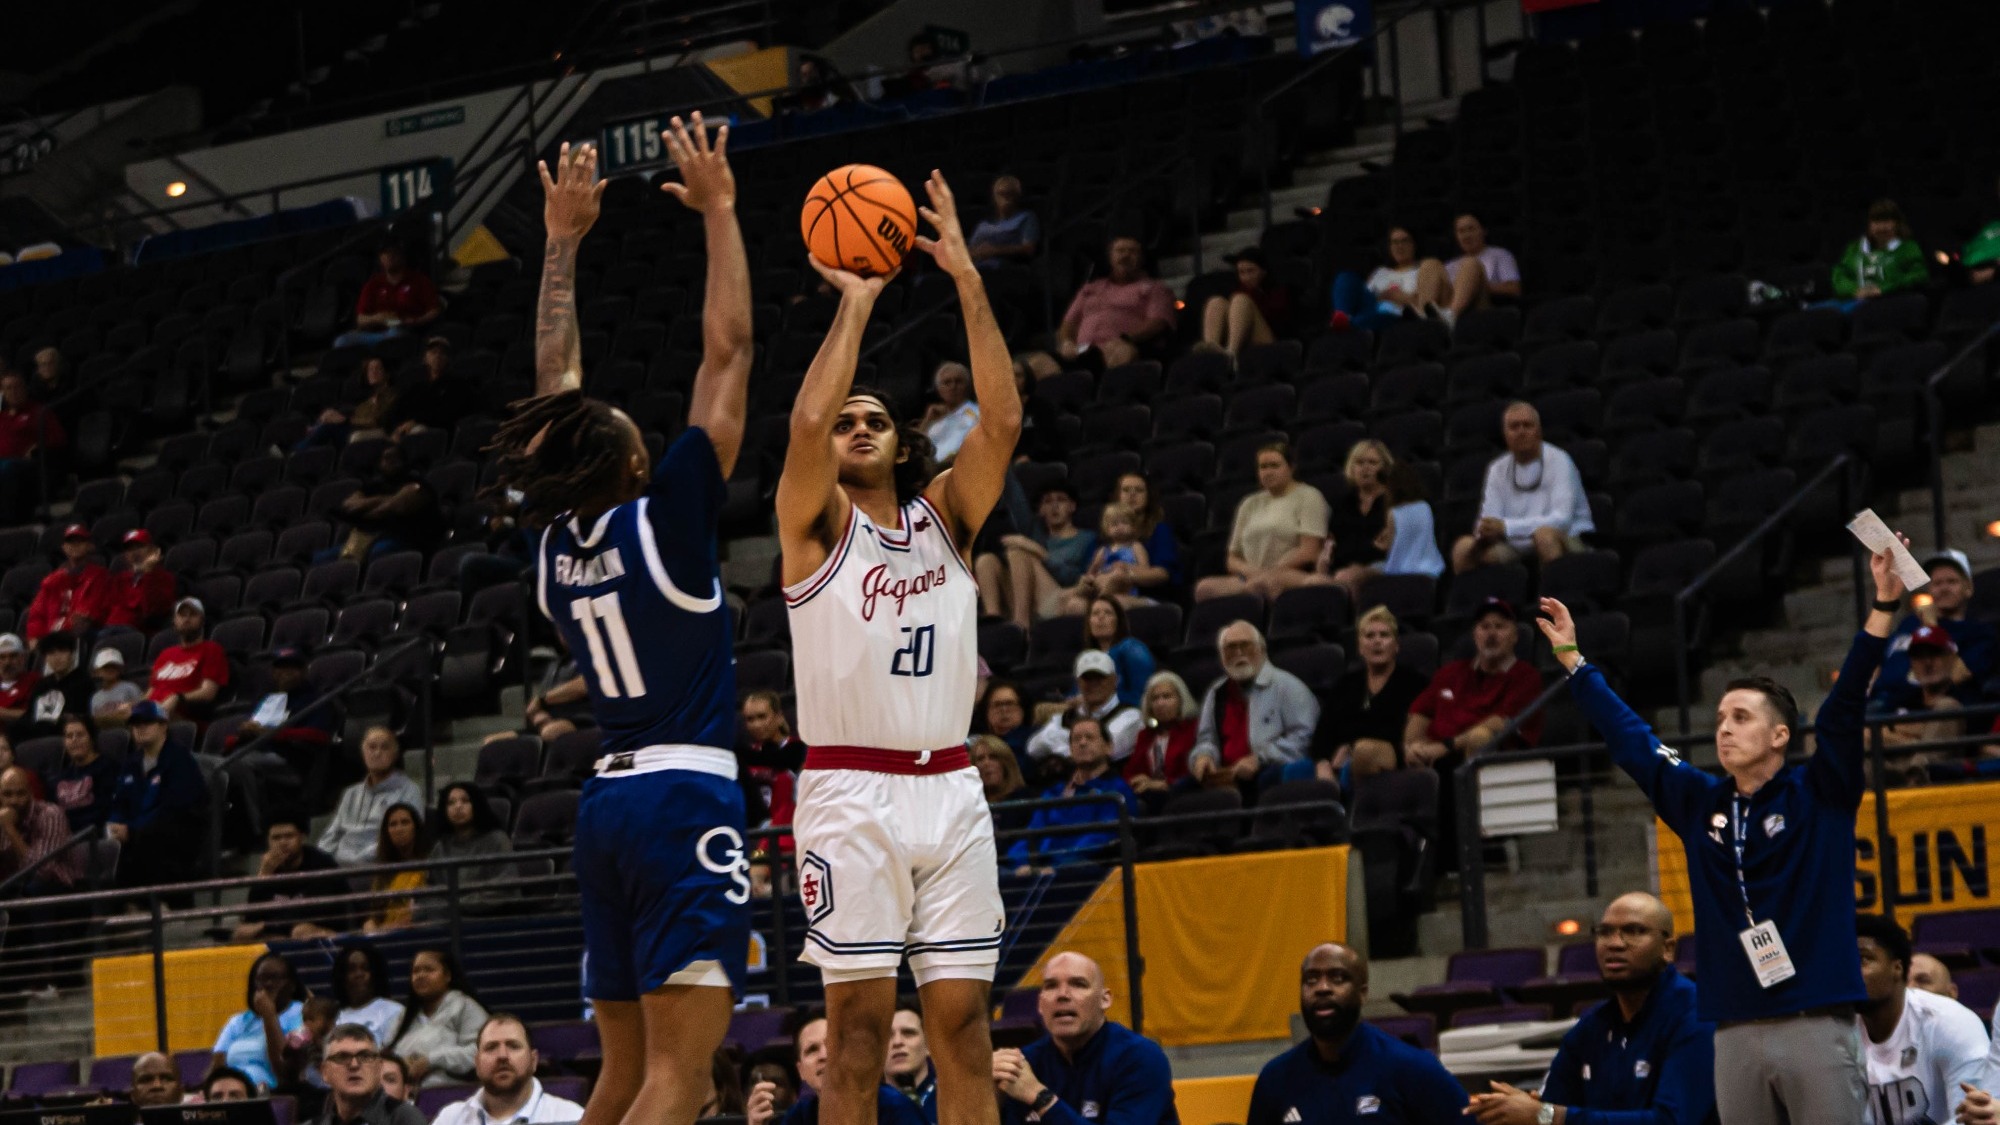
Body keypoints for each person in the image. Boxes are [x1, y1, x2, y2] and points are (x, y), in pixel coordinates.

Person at [491, 122, 754, 1125]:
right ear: (640, 464)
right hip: (683, 798)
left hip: (605, 806)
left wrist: (561, 243)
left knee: (621, 1075)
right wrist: (719, 212)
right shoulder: (669, 525)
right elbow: (727, 353)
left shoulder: (554, 548)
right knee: (683, 1078)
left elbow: (551, 395)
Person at [776, 168, 1021, 1125]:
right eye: (848, 421)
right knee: (858, 1038)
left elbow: (1003, 418)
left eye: (875, 418)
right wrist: (857, 300)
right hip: (851, 790)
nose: (857, 427)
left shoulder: (946, 517)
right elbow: (805, 419)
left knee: (965, 1028)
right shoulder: (814, 528)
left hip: (952, 785)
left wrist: (965, 274)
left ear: (902, 441)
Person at [1536, 537, 1914, 1125]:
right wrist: (1575, 663)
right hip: (1732, 1026)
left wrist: (1884, 607)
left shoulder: (1820, 793)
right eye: (1719, 719)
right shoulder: (1699, 802)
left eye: (1741, 718)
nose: (1724, 729)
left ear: (1781, 735)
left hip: (1815, 1019)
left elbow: (1843, 709)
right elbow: (1632, 740)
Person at [1467, 893, 1716, 1125]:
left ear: (1667, 949)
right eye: (1605, 932)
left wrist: (1545, 1115)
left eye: (1633, 931)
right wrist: (1515, 1109)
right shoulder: (1592, 1025)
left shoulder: (1695, 1014)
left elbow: (1671, 1121)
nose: (1615, 943)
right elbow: (1552, 1106)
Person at [1247, 943, 1465, 1125]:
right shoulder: (1275, 1079)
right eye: (1311, 980)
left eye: (1337, 978)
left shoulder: (1413, 1068)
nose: (1322, 988)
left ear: (1362, 993)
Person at [993, 952, 1176, 1125]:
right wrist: (990, 1093)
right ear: (1040, 1004)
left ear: (1105, 1000)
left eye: (1078, 984)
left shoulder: (1140, 1058)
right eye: (1051, 986)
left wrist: (1040, 1097)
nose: (1062, 995)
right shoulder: (1025, 1064)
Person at [1854, 912, 1990, 1125]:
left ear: (1897, 968)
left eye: (1863, 959)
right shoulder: (1835, 1033)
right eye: (1844, 961)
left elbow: (1976, 1119)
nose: (1850, 971)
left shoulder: (1950, 1022)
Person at [1452, 402, 1592, 573]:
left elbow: (1562, 520)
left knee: (1544, 536)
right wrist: (1486, 530)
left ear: (1539, 431)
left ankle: (1557, 589)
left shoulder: (1560, 460)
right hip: (1515, 544)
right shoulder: (1497, 468)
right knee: (1463, 548)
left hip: (1566, 538)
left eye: (1527, 425)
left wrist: (1506, 528)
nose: (1521, 432)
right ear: (1505, 434)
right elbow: (1490, 518)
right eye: (1514, 427)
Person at [1404, 598, 1544, 768]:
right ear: (1474, 635)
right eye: (1484, 627)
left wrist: (1446, 746)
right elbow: (1420, 712)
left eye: (1499, 626)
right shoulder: (1450, 672)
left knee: (1480, 737)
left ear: (1514, 636)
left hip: (1490, 757)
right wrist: (1412, 746)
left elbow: (1499, 723)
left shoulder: (1526, 677)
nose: (1491, 634)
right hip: (1437, 758)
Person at [1187, 622, 1320, 793]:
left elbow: (1305, 738)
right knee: (1182, 789)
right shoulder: (1216, 692)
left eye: (1245, 645)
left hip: (1270, 769)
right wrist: (1204, 756)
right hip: (1226, 774)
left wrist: (1260, 759)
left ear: (1262, 650)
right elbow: (1207, 738)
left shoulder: (1288, 687)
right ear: (1221, 656)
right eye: (1231, 648)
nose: (1238, 653)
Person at [1194, 442, 1335, 602]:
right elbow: (1232, 559)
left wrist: (1271, 571)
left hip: (1290, 573)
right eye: (1263, 467)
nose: (1268, 472)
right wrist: (1253, 572)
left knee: (1265, 584)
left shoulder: (1309, 496)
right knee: (1204, 588)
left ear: (1291, 468)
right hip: (1251, 576)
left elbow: (1309, 551)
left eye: (1274, 466)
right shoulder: (1249, 503)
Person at [223, 646, 336, 834]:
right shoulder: (269, 700)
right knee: (217, 766)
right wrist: (242, 734)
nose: (284, 673)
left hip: (290, 760)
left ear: (304, 671)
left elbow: (318, 736)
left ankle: (257, 829)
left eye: (291, 668)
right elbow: (251, 730)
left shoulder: (316, 699)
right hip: (256, 754)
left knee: (239, 765)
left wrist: (270, 733)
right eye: (280, 668)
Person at [746, 1010, 928, 1125]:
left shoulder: (894, 1107)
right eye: (812, 1050)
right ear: (801, 1071)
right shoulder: (800, 1116)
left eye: (832, 1045)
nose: (824, 1056)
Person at [1870, 549, 1996, 712]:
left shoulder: (1979, 633)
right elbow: (1880, 661)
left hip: (1929, 710)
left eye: (1952, 582)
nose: (1944, 588)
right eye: (1937, 583)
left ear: (1968, 588)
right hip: (1881, 706)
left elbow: (1957, 674)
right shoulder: (1910, 623)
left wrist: (1930, 625)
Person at [1312, 607, 1429, 782]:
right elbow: (1322, 735)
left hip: (1392, 756)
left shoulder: (1415, 684)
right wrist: (1322, 763)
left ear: (1396, 646)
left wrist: (1351, 746)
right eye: (1369, 636)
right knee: (1295, 770)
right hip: (1340, 762)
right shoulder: (1345, 684)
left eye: (1384, 635)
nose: (1377, 641)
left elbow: (1404, 733)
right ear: (1360, 647)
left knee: (1364, 751)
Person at [1010, 717, 1140, 873]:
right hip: (1041, 867)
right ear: (1071, 750)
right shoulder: (1054, 793)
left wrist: (1057, 866)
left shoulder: (1118, 792)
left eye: (1090, 737)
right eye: (1076, 739)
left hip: (1085, 870)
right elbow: (1032, 833)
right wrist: (1021, 863)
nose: (1082, 743)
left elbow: (1103, 838)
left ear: (1108, 747)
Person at [107, 700, 209, 887]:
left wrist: (132, 830)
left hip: (172, 840)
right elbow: (119, 803)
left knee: (149, 842)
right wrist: (116, 826)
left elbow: (176, 809)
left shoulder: (179, 759)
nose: (140, 728)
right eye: (135, 724)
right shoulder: (131, 763)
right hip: (136, 835)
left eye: (147, 722)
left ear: (163, 726)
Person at [977, 483, 1097, 629]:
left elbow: (1077, 578)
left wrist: (1039, 552)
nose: (1054, 506)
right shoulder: (1039, 537)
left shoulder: (1086, 538)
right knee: (986, 560)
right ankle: (993, 621)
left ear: (1072, 506)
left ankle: (1022, 624)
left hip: (1061, 596)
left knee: (1018, 552)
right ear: (1041, 510)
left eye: (1061, 500)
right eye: (1048, 501)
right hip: (1027, 598)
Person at [431, 1014, 587, 1125]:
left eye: (513, 1046)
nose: (502, 1056)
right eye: (491, 1047)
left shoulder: (572, 1117)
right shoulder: (450, 1119)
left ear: (533, 1061)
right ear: (477, 1064)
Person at [1056, 237, 1176, 369]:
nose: (1125, 255)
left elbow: (1158, 323)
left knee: (1123, 353)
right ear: (1110, 257)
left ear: (1141, 259)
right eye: (1120, 251)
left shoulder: (1155, 288)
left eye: (1132, 251)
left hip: (1122, 347)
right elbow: (1068, 323)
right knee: (1040, 362)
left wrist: (1126, 339)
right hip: (1083, 351)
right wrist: (1066, 342)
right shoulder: (1090, 289)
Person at [232, 810, 350, 941]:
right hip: (279, 933)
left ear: (302, 837)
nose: (283, 842)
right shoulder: (268, 867)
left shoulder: (321, 863)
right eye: (276, 838)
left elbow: (312, 912)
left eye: (289, 836)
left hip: (323, 930)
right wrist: (264, 876)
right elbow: (252, 918)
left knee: (301, 931)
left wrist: (266, 926)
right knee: (241, 934)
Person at [321, 728, 425, 866]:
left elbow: (407, 837)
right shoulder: (351, 793)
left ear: (395, 754)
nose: (377, 753)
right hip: (340, 866)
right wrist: (320, 859)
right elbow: (332, 835)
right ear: (363, 752)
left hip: (380, 864)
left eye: (384, 748)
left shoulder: (409, 790)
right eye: (372, 747)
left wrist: (355, 861)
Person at [1024, 651, 1143, 768]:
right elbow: (1033, 748)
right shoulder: (1064, 716)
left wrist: (1057, 740)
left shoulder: (1131, 716)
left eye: (1100, 678)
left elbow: (1103, 752)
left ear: (1115, 680)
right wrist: (1076, 747)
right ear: (1078, 682)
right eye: (1087, 678)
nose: (1093, 683)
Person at [326, 442, 444, 560]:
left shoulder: (416, 483)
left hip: (406, 539)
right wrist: (385, 499)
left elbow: (392, 507)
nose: (391, 461)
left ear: (404, 461)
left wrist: (364, 509)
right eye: (387, 457)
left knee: (376, 552)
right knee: (321, 558)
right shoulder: (374, 486)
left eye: (396, 458)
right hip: (372, 537)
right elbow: (348, 505)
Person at [211, 952, 307, 1092]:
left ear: (292, 985)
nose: (267, 984)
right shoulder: (238, 1021)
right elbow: (217, 1068)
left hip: (276, 1094)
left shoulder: (302, 1014)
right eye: (261, 979)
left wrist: (269, 1015)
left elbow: (285, 1072)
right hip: (235, 1093)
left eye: (275, 978)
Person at [392, 947, 488, 1087]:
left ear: (447, 975)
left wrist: (432, 1060)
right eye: (416, 971)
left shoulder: (465, 1007)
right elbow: (388, 1055)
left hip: (451, 1091)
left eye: (429, 970)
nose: (421, 975)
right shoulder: (404, 1017)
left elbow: (482, 1051)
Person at [1329, 227, 1450, 332]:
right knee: (1346, 277)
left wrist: (1396, 297)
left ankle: (1347, 325)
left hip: (1398, 313)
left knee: (1376, 316)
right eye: (1394, 242)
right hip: (1372, 305)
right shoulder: (1380, 271)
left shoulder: (1423, 270)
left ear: (1414, 244)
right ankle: (1343, 316)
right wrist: (1382, 296)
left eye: (1404, 241)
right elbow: (1366, 294)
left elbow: (1424, 305)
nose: (1399, 246)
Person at [1317, 440, 1393, 598]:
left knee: (1346, 577)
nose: (1365, 468)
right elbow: (1332, 542)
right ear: (1351, 468)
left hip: (1384, 564)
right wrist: (1324, 559)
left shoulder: (1394, 501)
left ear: (1384, 468)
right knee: (1314, 582)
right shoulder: (1341, 504)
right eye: (1359, 463)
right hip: (1343, 567)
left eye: (1372, 462)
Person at [334, 244, 442, 349]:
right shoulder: (373, 284)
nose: (389, 257)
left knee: (396, 333)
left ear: (402, 256)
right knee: (341, 341)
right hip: (376, 331)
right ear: (380, 259)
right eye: (385, 254)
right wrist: (377, 318)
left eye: (393, 253)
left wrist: (417, 320)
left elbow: (434, 310)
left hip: (406, 330)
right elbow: (360, 319)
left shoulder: (419, 280)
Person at [314, 1024, 426, 1125]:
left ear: (378, 1068)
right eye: (342, 1057)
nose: (354, 1065)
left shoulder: (404, 1118)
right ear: (325, 1072)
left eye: (365, 1056)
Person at [429, 781, 515, 905]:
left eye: (465, 801)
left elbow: (506, 886)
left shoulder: (497, 839)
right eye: (450, 803)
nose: (458, 806)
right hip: (448, 913)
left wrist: (460, 903)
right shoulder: (441, 846)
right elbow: (431, 888)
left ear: (477, 804)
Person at [146, 597, 230, 723]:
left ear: (202, 620)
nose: (187, 619)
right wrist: (131, 705)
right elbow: (150, 692)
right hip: (150, 713)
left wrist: (178, 698)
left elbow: (208, 692)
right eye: (182, 615)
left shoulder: (212, 649)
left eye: (193, 614)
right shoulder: (165, 654)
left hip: (181, 716)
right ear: (174, 621)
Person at [0, 763, 81, 891]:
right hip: (16, 884)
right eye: (7, 794)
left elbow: (42, 870)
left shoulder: (50, 814)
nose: (14, 801)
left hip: (58, 888)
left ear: (30, 793)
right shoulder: (3, 816)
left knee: (35, 886)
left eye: (20, 794)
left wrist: (10, 829)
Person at [1200, 247, 1292, 358]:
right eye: (1242, 272)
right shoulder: (1239, 289)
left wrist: (1252, 300)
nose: (1246, 277)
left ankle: (1231, 355)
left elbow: (1279, 320)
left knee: (1240, 300)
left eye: (1251, 271)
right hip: (1242, 338)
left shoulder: (1277, 291)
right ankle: (1210, 352)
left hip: (1269, 338)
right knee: (1216, 302)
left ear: (1263, 271)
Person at [740, 690, 805, 846]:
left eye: (762, 717)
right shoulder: (745, 757)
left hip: (788, 833)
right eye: (750, 719)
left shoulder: (797, 750)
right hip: (753, 834)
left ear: (778, 717)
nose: (756, 725)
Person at [1124, 672, 1201, 804]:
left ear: (1181, 700)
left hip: (1186, 797)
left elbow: (1194, 773)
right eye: (1155, 698)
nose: (1160, 703)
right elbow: (1130, 773)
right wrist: (1138, 780)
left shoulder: (1194, 729)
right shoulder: (1145, 735)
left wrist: (1165, 784)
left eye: (1167, 696)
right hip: (1150, 799)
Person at [0, 370, 64, 524]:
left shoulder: (39, 411)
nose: (13, 392)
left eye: (17, 387)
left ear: (25, 388)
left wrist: (38, 446)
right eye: (8, 388)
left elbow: (58, 438)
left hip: (27, 467)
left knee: (7, 467)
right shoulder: (2, 417)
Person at [1832, 200, 1927, 304]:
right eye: (1876, 222)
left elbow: (1919, 275)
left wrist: (1883, 289)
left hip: (1892, 301)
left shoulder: (1908, 248)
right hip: (1855, 302)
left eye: (1886, 222)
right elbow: (1839, 275)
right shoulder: (1854, 249)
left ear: (1897, 224)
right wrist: (1855, 290)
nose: (1881, 228)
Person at [25, 524, 107, 642]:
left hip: (79, 637)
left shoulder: (99, 576)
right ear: (63, 547)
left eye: (80, 541)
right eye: (70, 542)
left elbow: (86, 615)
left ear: (90, 546)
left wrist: (61, 629)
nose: (75, 545)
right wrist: (35, 636)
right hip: (52, 640)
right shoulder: (52, 581)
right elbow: (36, 614)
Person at [302, 356, 398, 448]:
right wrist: (327, 420)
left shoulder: (392, 396)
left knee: (327, 428)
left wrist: (345, 420)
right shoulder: (366, 403)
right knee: (325, 422)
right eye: (370, 370)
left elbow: (377, 421)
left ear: (387, 374)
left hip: (374, 431)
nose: (373, 372)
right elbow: (356, 418)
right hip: (353, 430)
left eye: (378, 368)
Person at [1075, 597, 1155, 709]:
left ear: (1118, 621)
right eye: (1095, 613)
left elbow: (1144, 695)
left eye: (1108, 613)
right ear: (1089, 622)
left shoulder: (1131, 648)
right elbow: (1075, 693)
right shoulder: (1087, 657)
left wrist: (1102, 699)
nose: (1101, 617)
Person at [362, 803, 430, 933]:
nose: (399, 829)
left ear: (415, 827)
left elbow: (425, 911)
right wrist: (371, 925)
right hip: (384, 934)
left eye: (405, 822)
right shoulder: (382, 872)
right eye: (393, 824)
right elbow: (375, 915)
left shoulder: (429, 865)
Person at [16, 631, 91, 742]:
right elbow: (30, 715)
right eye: (51, 653)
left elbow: (75, 718)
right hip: (35, 738)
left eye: (62, 651)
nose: (57, 658)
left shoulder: (84, 682)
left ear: (72, 654)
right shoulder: (42, 685)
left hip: (63, 738)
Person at [1377, 460, 1447, 580]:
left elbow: (1392, 547)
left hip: (1403, 572)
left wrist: (1381, 544)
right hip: (1431, 569)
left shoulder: (1393, 513)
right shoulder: (1425, 506)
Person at [384, 337, 466, 438]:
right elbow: (398, 409)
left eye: (442, 353)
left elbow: (446, 413)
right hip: (407, 430)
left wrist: (416, 421)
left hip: (437, 433)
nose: (437, 356)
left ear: (448, 359)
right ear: (425, 358)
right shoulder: (417, 386)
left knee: (418, 431)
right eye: (433, 352)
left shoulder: (455, 384)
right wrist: (397, 427)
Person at [332, 942, 408, 1052]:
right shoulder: (334, 1015)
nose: (359, 974)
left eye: (366, 968)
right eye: (351, 969)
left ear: (376, 974)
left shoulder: (395, 1012)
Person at [49, 712, 117, 832]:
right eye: (69, 736)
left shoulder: (107, 768)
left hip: (93, 834)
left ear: (92, 739)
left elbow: (104, 811)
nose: (74, 740)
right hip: (64, 836)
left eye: (80, 735)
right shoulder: (60, 777)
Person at [1446, 213, 1523, 318]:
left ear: (1483, 231)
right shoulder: (1449, 265)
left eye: (1471, 229)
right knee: (1430, 265)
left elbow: (1514, 289)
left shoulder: (1500, 255)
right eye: (1461, 231)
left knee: (1470, 264)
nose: (1466, 236)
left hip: (1484, 306)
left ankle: (1450, 316)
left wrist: (1473, 285)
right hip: (1448, 303)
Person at [101, 529, 178, 632]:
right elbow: (106, 609)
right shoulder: (120, 579)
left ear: (152, 550)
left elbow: (153, 609)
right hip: (109, 629)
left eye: (139, 547)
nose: (134, 553)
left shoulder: (164, 577)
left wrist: (148, 572)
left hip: (135, 632)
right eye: (130, 549)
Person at [968, 176, 1039, 270]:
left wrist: (996, 250)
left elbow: (1029, 249)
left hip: (1006, 268)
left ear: (1017, 196)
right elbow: (971, 250)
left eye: (1010, 194)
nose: (1006, 198)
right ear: (994, 197)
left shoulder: (1026, 217)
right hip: (977, 268)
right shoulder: (983, 225)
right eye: (1001, 194)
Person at [971, 736, 1033, 837]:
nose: (986, 763)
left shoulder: (1026, 800)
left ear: (1006, 763)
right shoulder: (970, 805)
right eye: (980, 759)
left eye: (993, 757)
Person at [886, 1004, 938, 1123]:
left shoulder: (956, 1098)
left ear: (929, 1046)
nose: (897, 1042)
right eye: (888, 1036)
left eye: (908, 1033)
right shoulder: (864, 1108)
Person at [920, 363, 980, 464]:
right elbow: (917, 448)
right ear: (939, 389)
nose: (953, 386)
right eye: (947, 382)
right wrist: (927, 421)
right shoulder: (934, 417)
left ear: (968, 385)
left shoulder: (977, 414)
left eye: (958, 382)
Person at [89, 647, 143, 728]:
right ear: (97, 671)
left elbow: (141, 711)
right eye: (106, 667)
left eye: (114, 666)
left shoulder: (130, 688)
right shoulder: (95, 698)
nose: (110, 669)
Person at [978, 682, 1032, 758]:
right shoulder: (978, 747)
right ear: (986, 711)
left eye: (1009, 704)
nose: (1004, 710)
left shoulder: (1035, 742)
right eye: (997, 705)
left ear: (1022, 709)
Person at [0, 634, 38, 733]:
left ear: (22, 658)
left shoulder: (34, 681)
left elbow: (34, 714)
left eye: (13, 656)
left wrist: (3, 713)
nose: (7, 662)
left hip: (18, 736)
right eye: (2, 657)